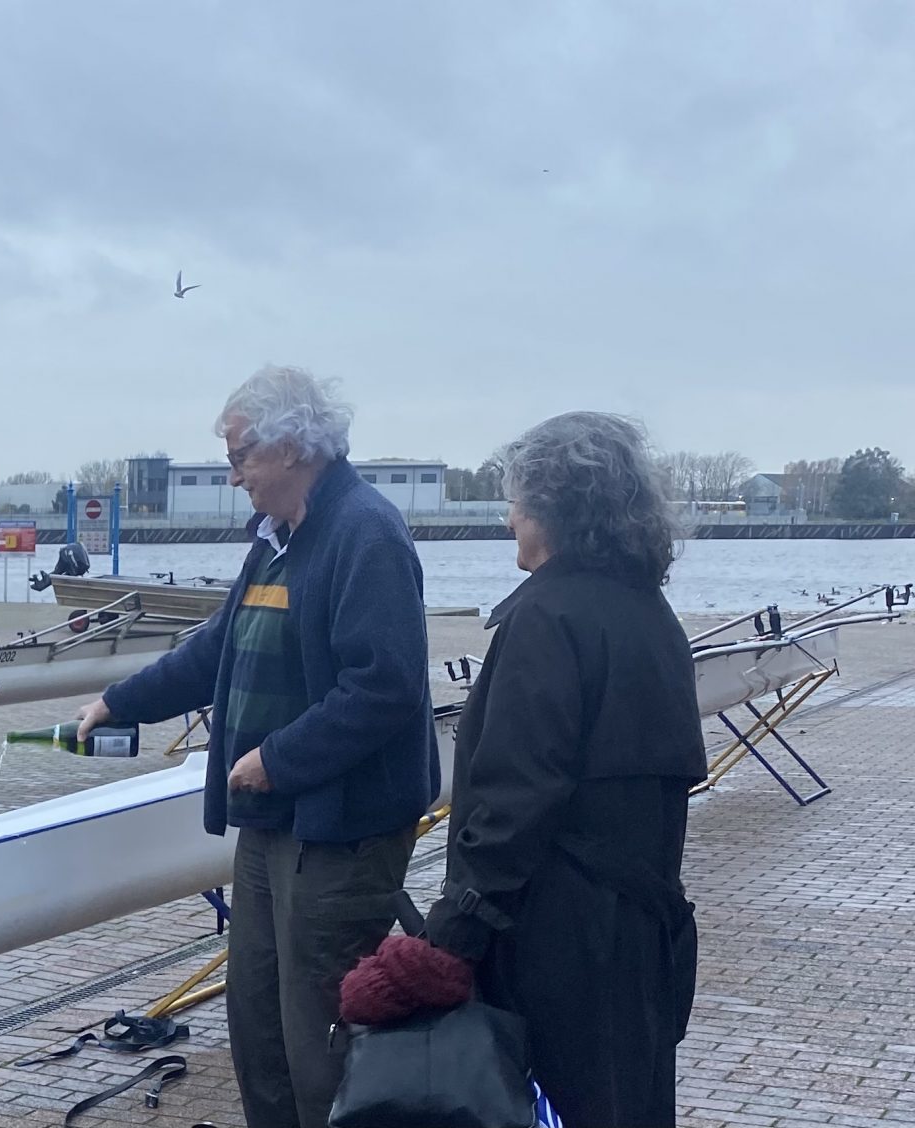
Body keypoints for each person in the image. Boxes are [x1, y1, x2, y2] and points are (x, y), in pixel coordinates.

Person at [76, 366, 437, 1128]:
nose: (233, 473)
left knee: (320, 1046)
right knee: (258, 1033)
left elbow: (387, 685)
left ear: (291, 447)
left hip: (337, 834)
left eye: (242, 455)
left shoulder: (364, 531)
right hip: (270, 826)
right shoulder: (277, 541)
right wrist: (121, 700)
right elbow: (219, 649)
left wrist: (278, 759)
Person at [338, 412, 704, 1127]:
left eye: (519, 501)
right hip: (644, 931)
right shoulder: (652, 613)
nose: (509, 518)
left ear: (557, 510)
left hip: (557, 937)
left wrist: (448, 939)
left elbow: (513, 802)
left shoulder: (546, 618)